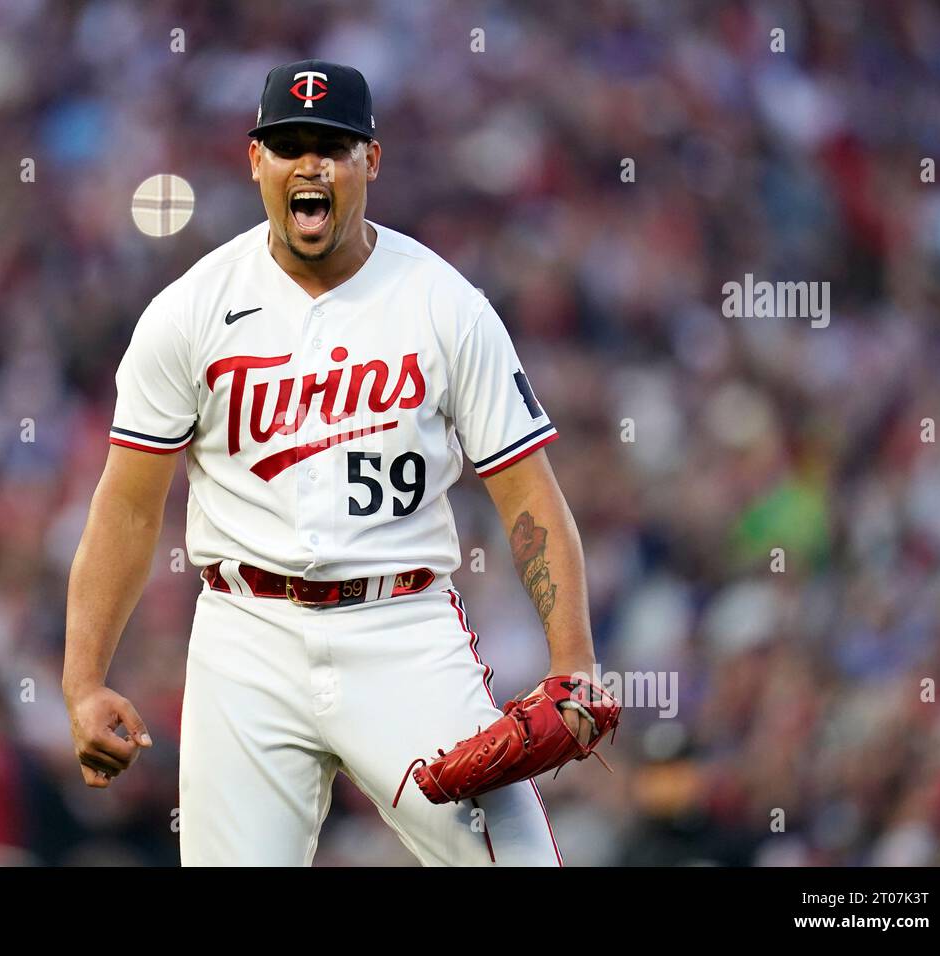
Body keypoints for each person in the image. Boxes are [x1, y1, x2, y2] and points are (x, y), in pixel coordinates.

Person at [63, 59, 597, 866]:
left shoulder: (442, 303)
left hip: (403, 629)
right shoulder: (191, 310)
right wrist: (82, 679)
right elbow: (129, 506)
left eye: (334, 146)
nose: (309, 164)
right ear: (255, 162)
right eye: (288, 145)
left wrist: (575, 663)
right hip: (246, 634)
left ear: (370, 163)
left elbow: (526, 494)